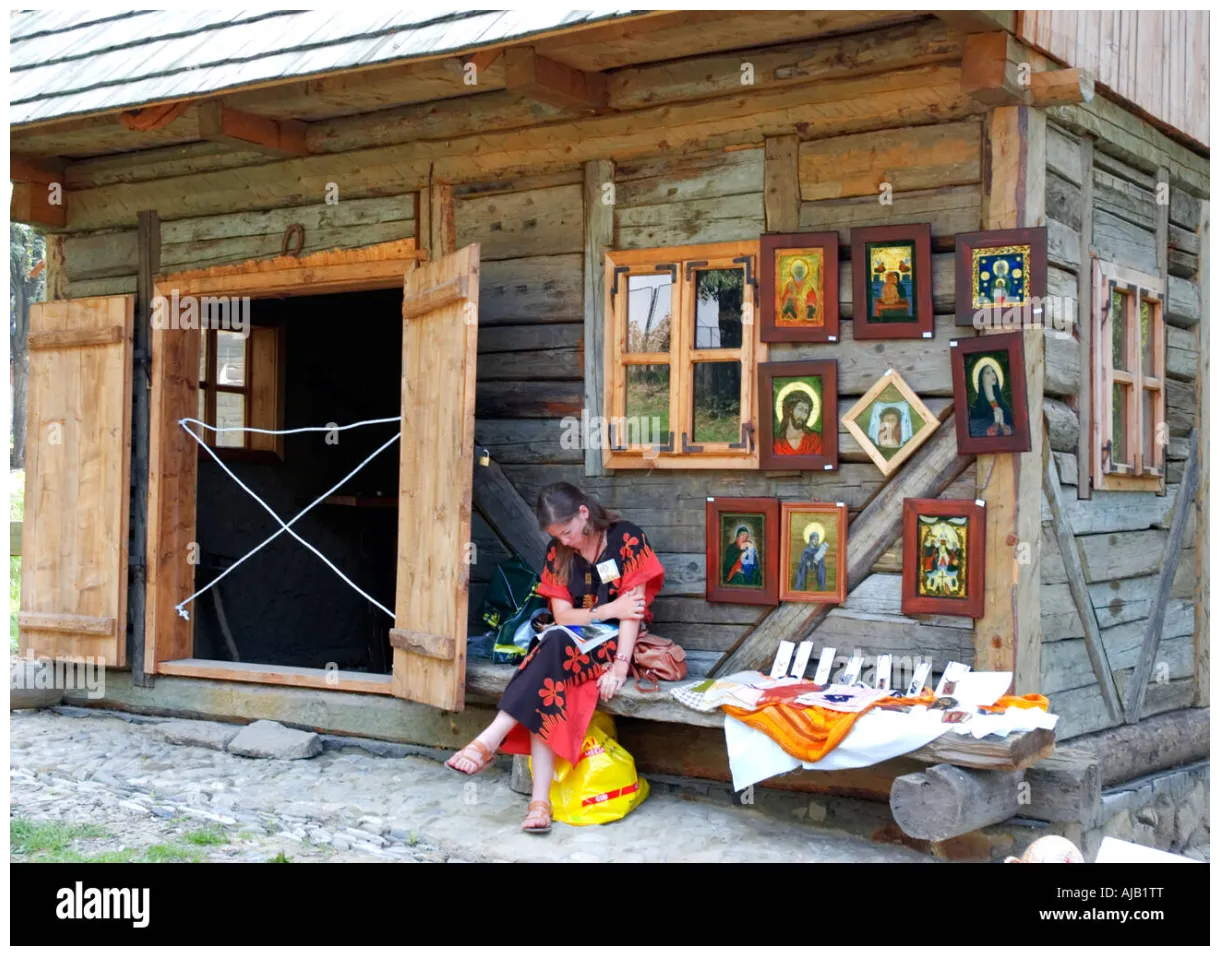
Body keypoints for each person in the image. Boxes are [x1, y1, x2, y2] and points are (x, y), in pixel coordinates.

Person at [444, 482, 665, 834]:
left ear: (583, 514)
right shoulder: (558, 552)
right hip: (572, 639)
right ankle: (538, 802)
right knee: (551, 666)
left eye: (567, 532)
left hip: (616, 642)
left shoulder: (627, 540)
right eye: (556, 536)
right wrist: (608, 607)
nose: (564, 541)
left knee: (548, 659)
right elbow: (562, 616)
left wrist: (620, 666)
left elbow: (632, 612)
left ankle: (501, 753)